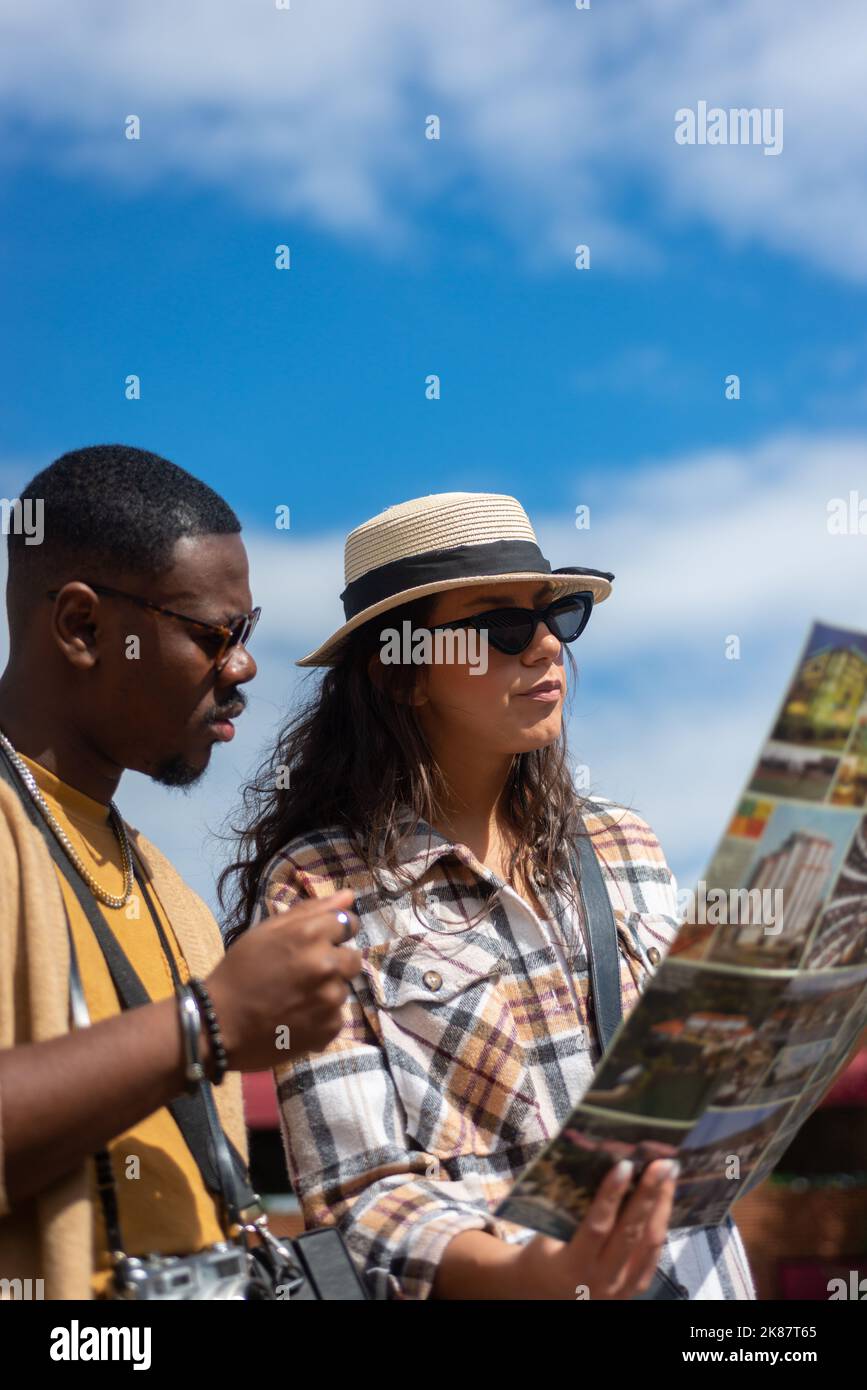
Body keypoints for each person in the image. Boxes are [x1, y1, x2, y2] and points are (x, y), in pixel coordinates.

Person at [222, 490, 757, 1300]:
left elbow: (709, 1107)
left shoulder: (623, 843)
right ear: (400, 673)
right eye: (500, 625)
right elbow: (359, 1193)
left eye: (557, 614)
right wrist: (528, 1273)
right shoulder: (318, 888)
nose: (544, 644)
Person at [0, 444, 360, 1299]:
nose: (241, 666)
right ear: (82, 627)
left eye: (247, 632)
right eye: (213, 635)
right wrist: (206, 1025)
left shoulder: (173, 895)